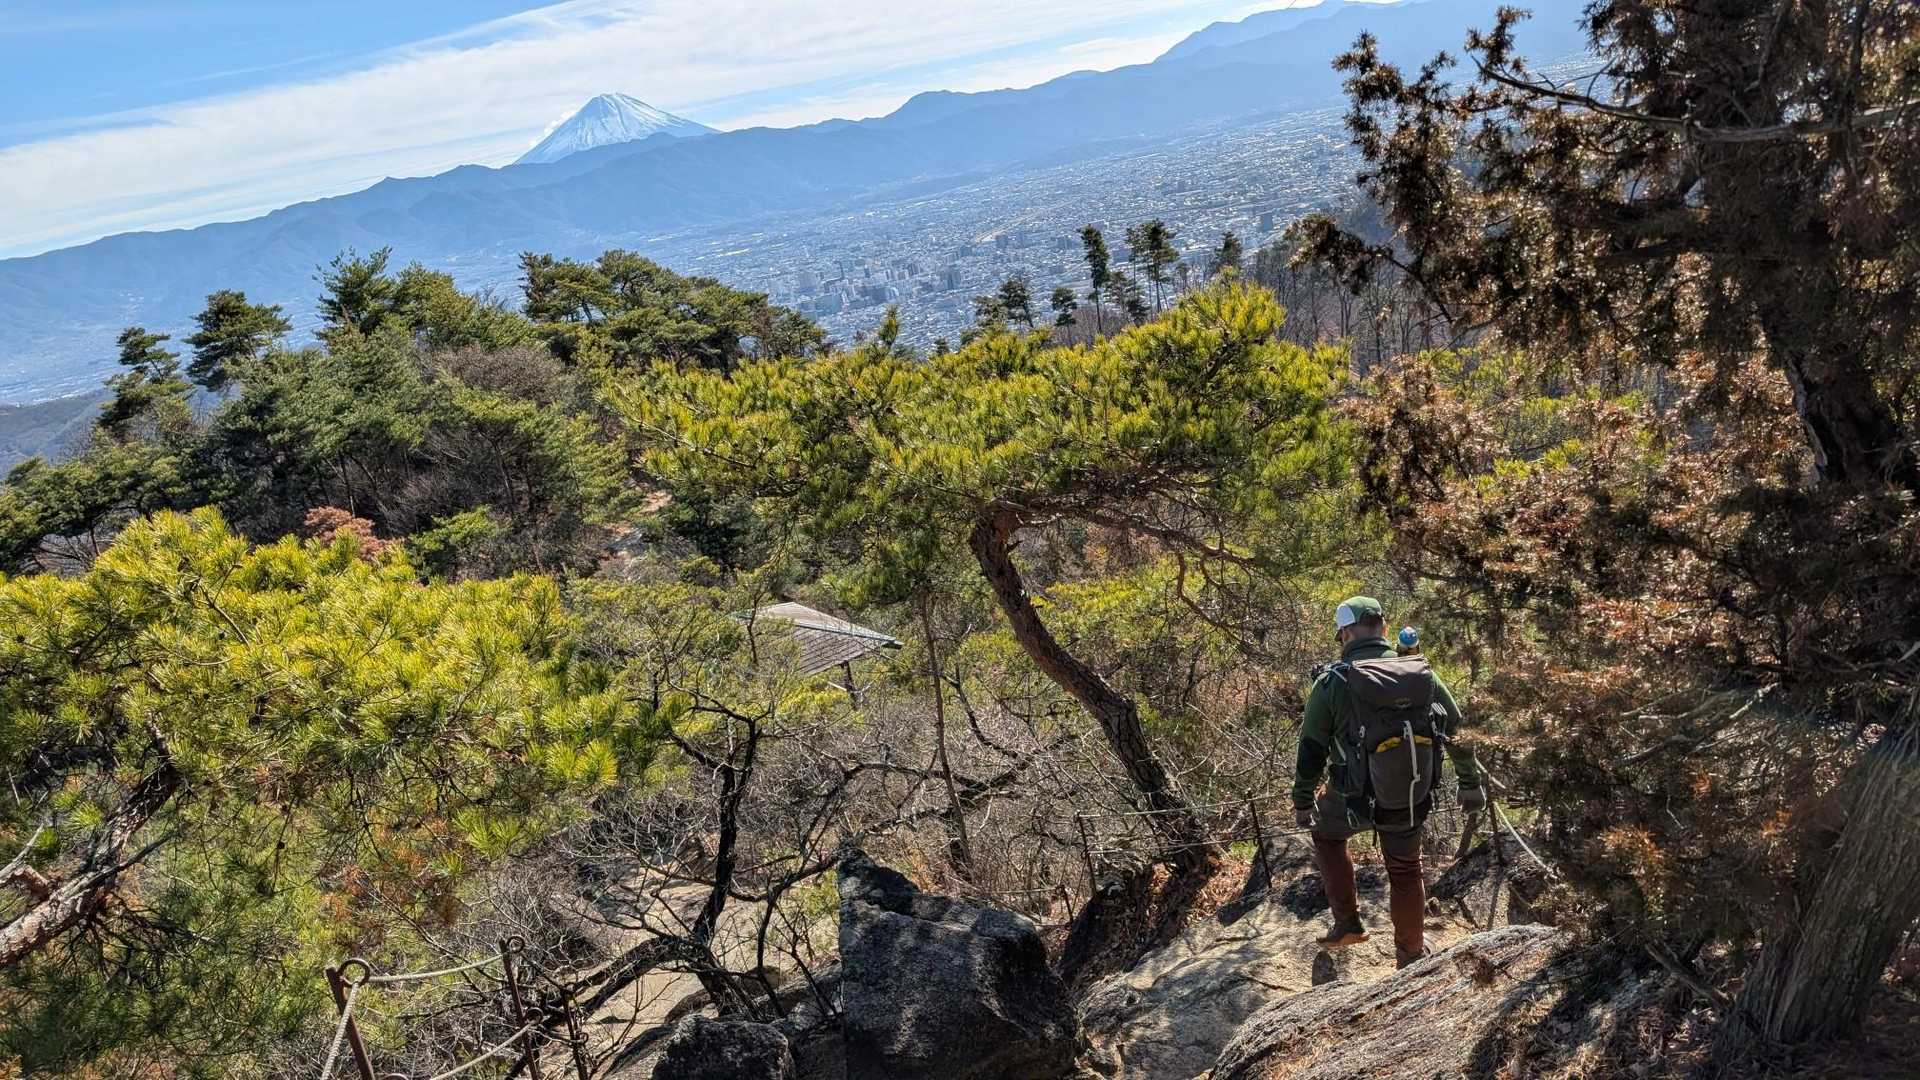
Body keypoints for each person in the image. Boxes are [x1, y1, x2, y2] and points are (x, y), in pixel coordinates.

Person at [1291, 597, 1484, 967]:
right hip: (1407, 792)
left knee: (1327, 836)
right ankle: (1410, 956)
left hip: (1351, 799)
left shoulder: (1332, 682)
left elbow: (1312, 747)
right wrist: (1470, 783)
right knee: (1406, 869)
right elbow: (1457, 725)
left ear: (1345, 633)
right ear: (1382, 628)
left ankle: (1347, 923)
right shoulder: (1419, 672)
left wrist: (1302, 800)